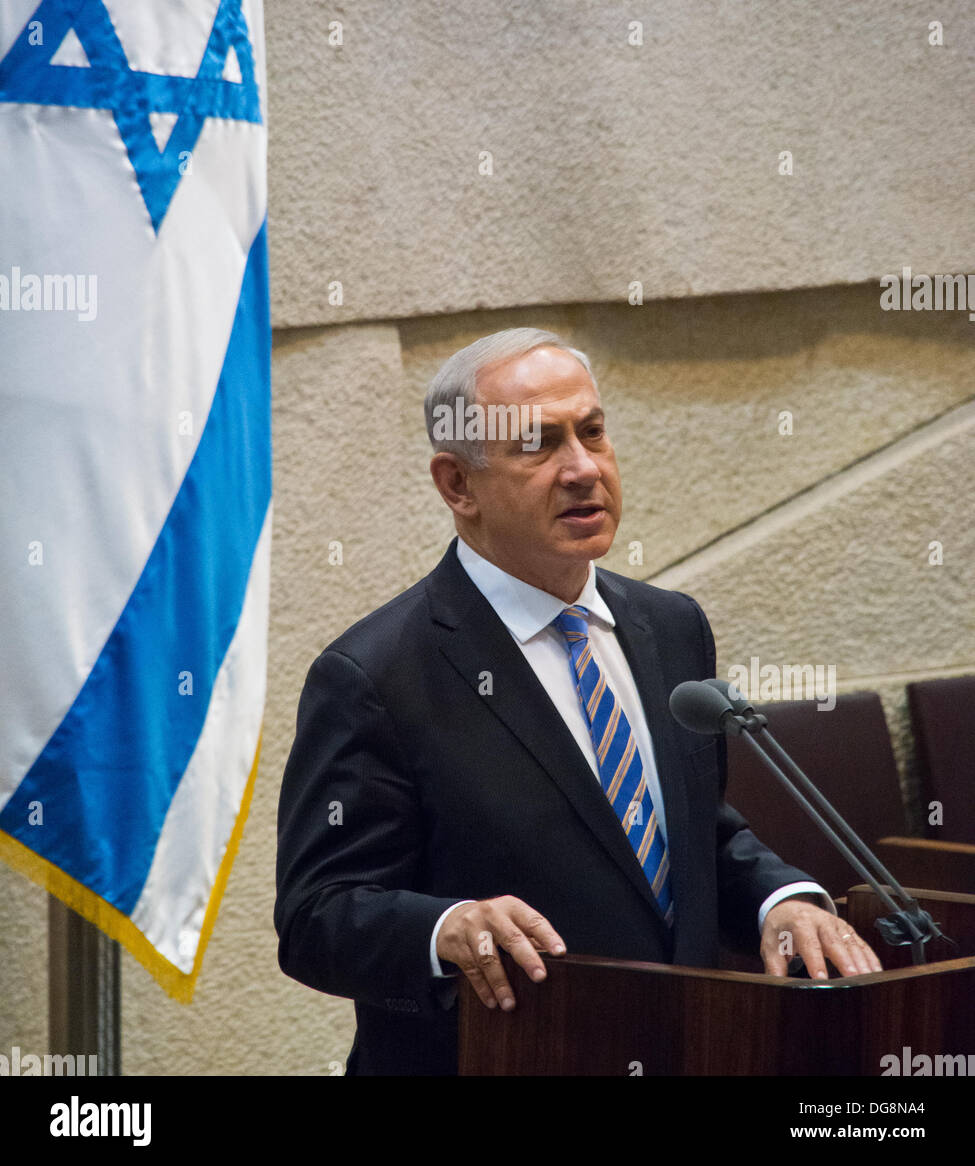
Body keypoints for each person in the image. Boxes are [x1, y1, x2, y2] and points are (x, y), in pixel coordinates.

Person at [275, 328, 881, 1075]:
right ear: (456, 484)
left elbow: (680, 832)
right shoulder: (376, 673)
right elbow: (316, 916)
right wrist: (447, 927)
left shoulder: (669, 625)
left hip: (684, 1047)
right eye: (538, 445)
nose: (583, 469)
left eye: (592, 432)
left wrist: (778, 900)